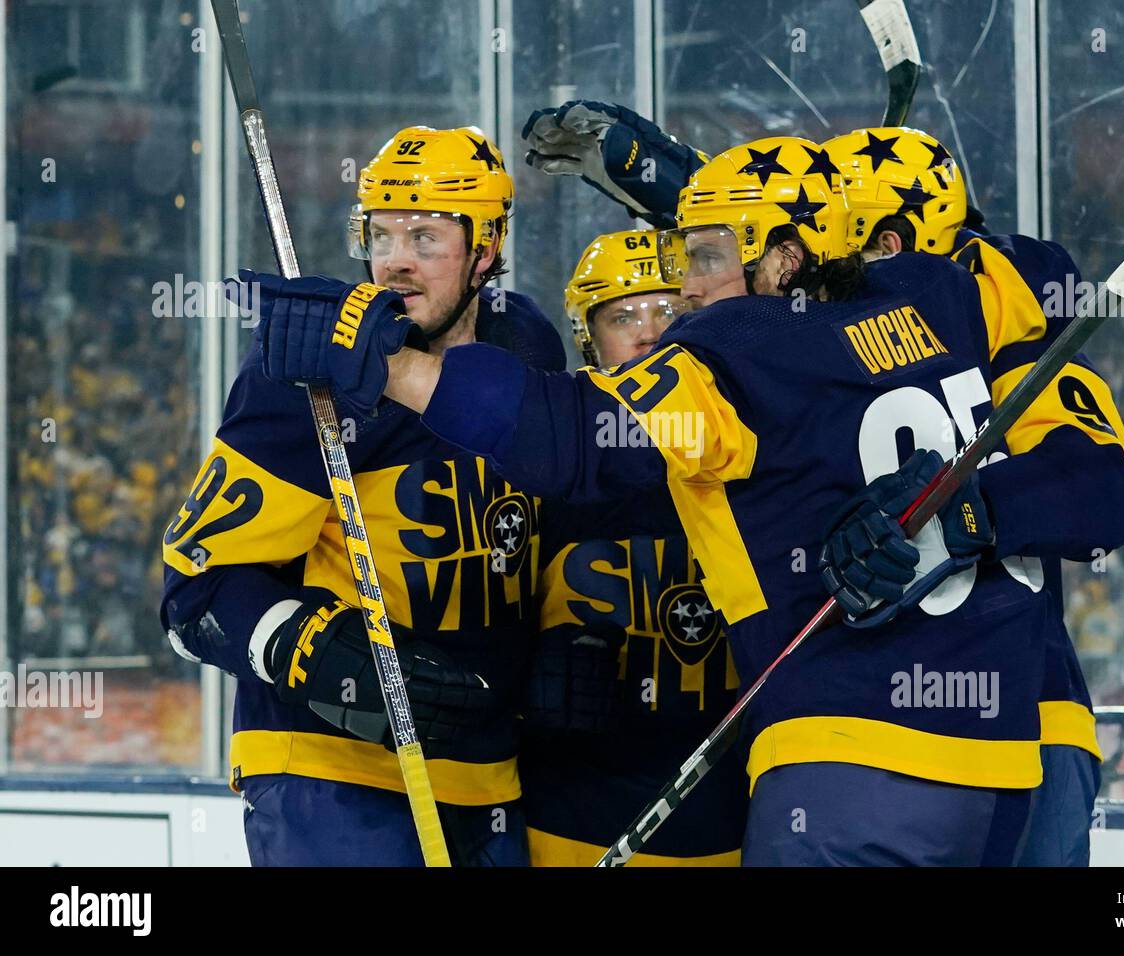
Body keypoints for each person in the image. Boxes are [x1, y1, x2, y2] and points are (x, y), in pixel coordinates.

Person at [241, 136, 1081, 865]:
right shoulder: (944, 304)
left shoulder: (731, 353)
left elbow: (572, 435)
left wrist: (385, 367)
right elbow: (1047, 273)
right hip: (1001, 768)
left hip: (837, 766)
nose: (683, 294)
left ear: (784, 258)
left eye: (706, 257)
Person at [525, 102, 1124, 865]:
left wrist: (961, 513)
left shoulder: (1001, 341)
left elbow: (1103, 488)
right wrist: (695, 208)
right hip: (908, 732)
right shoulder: (843, 350)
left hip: (1032, 714)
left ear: (885, 242)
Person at [160, 126, 566, 866]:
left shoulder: (527, 344)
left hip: (487, 777)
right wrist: (313, 649)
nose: (395, 260)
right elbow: (194, 590)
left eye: (425, 235)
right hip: (330, 775)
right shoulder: (305, 366)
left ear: (487, 249)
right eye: (380, 234)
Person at [521, 228, 748, 865]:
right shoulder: (548, 461)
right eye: (623, 316)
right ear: (588, 337)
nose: (650, 333)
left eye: (670, 310)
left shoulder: (755, 451)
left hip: (722, 822)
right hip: (567, 816)